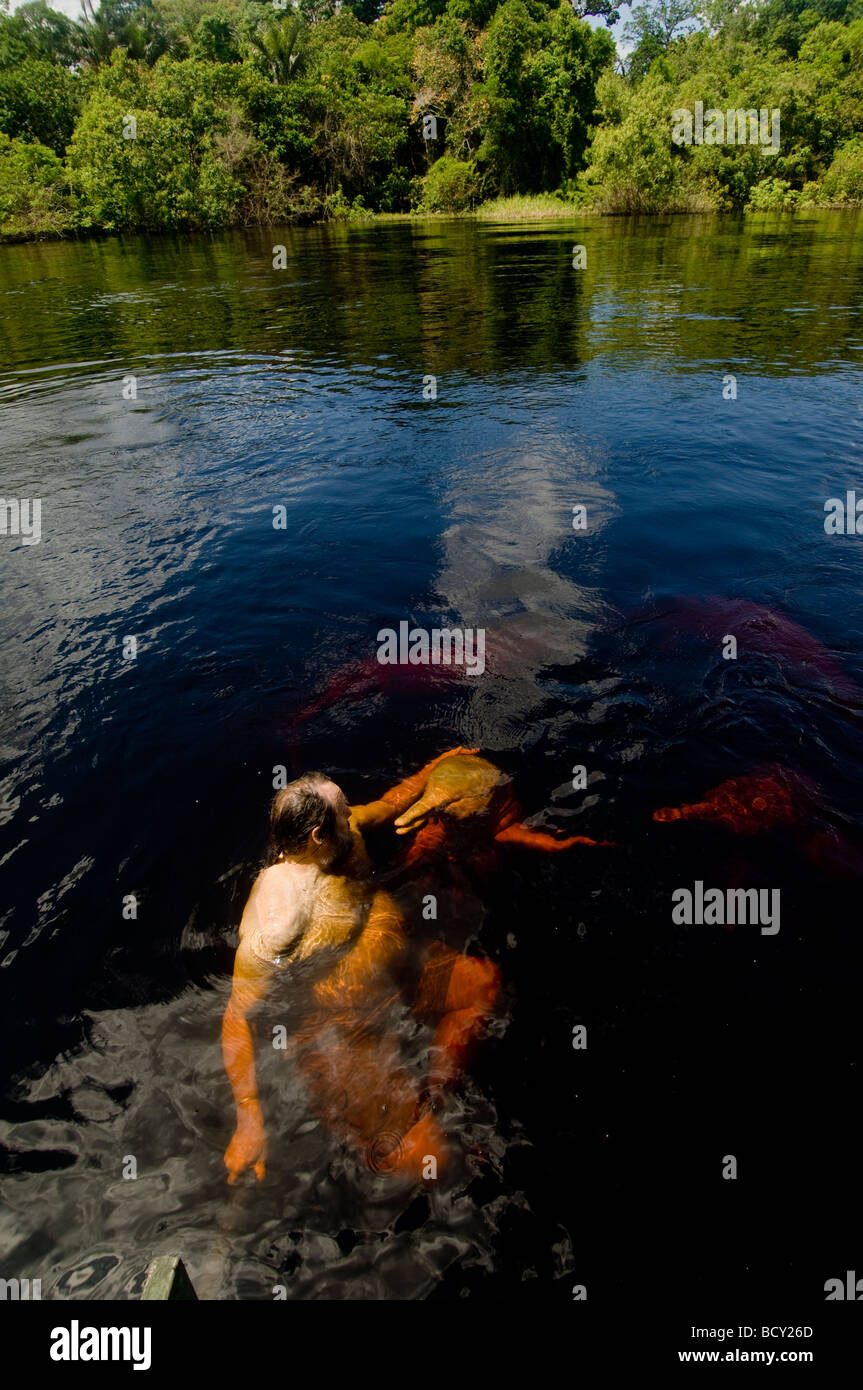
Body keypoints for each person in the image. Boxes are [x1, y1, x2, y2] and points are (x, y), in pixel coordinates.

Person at [222, 747, 498, 1185]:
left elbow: (390, 803)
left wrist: (435, 765)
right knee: (416, 1158)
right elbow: (238, 1014)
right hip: (347, 1019)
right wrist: (249, 1115)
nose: (353, 815)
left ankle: (436, 1099)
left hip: (399, 970)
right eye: (344, 812)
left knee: (484, 987)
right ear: (317, 835)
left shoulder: (345, 836)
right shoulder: (281, 918)